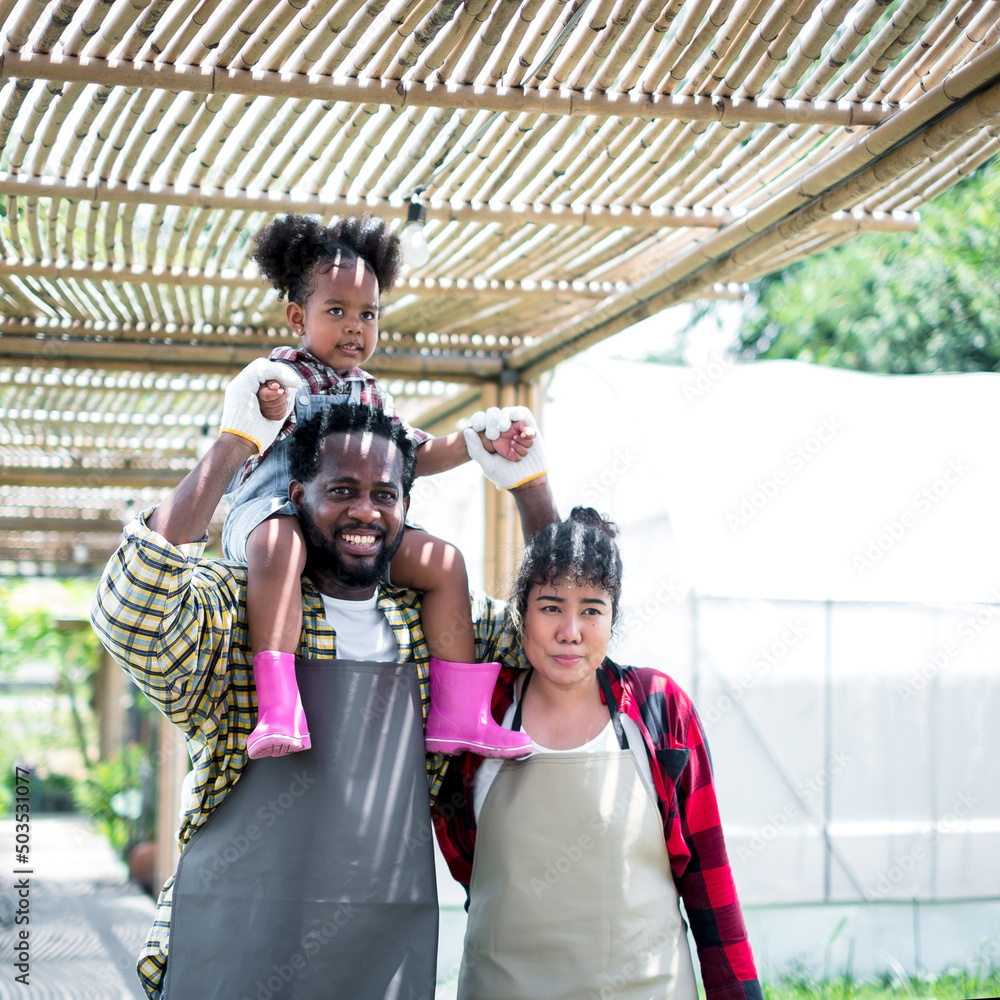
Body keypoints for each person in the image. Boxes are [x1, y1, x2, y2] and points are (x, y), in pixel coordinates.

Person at [90, 399, 558, 1000]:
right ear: (296, 496)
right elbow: (130, 615)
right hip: (230, 954)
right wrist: (232, 445)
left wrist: (531, 487)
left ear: (406, 508)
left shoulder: (436, 627)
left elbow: (555, 639)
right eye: (341, 489)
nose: (365, 511)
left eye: (385, 496)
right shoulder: (238, 613)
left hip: (378, 964)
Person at [223, 212, 544, 760]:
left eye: (368, 314)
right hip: (270, 513)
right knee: (282, 544)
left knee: (445, 562)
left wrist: (474, 444)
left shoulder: (373, 396)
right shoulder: (282, 371)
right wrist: (271, 405)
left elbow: (412, 454)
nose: (355, 326)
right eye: (337, 311)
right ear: (298, 317)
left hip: (353, 527)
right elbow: (259, 413)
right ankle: (278, 707)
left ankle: (458, 713)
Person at [432, 507, 763, 1000]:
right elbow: (464, 854)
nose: (571, 631)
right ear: (521, 612)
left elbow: (707, 877)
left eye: (591, 609)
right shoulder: (487, 710)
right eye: (550, 607)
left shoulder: (656, 707)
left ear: (613, 616)